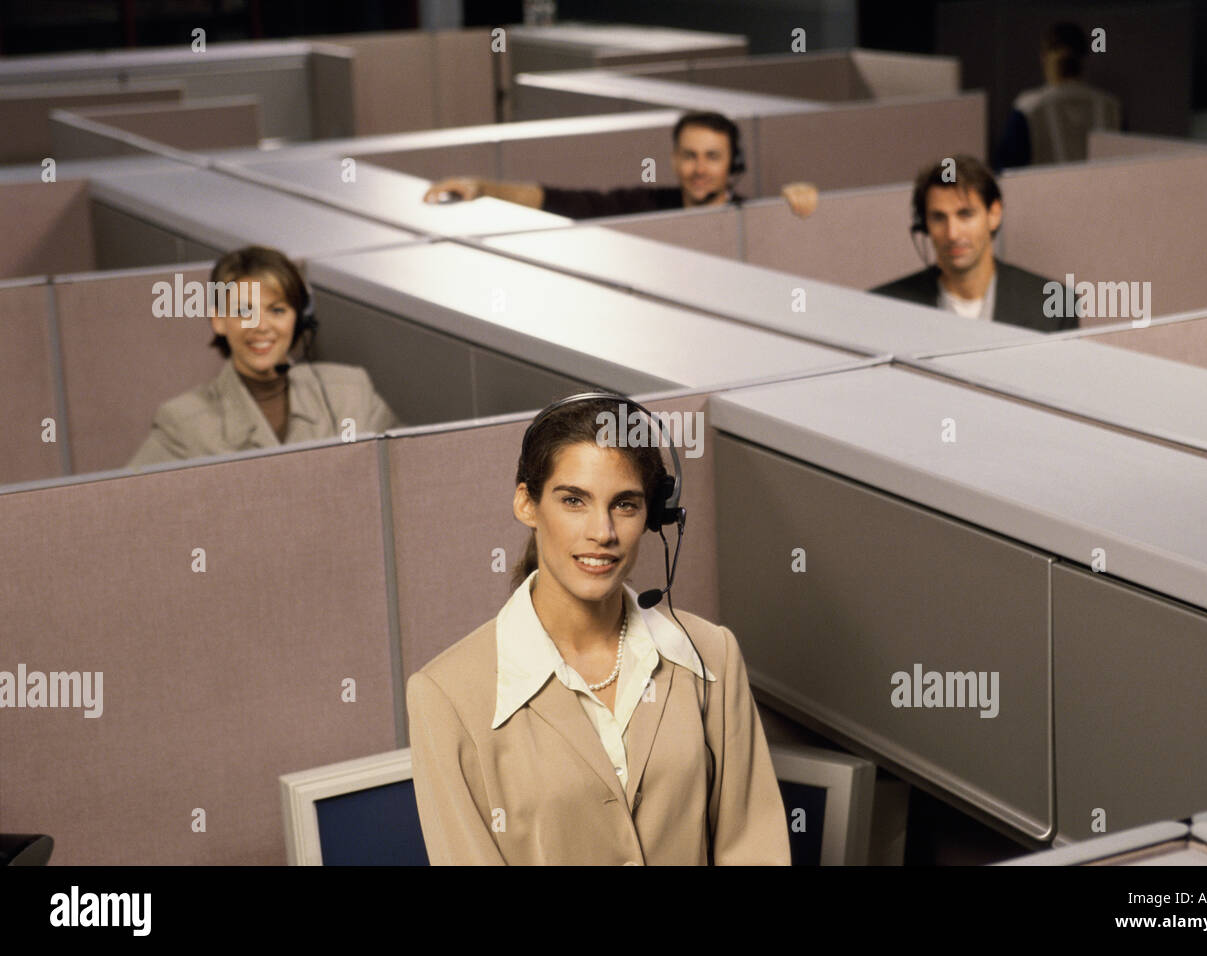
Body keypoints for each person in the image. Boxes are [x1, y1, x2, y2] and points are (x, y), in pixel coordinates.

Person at [406, 392, 790, 865]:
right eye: (573, 501)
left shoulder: (711, 656)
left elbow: (753, 847)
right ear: (527, 504)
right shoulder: (446, 696)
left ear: (654, 516)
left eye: (625, 505)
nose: (602, 532)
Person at [127, 246, 399, 467]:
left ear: (298, 319)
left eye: (277, 310)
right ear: (219, 321)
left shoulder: (351, 394)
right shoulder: (184, 424)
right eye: (244, 312)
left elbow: (409, 480)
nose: (261, 326)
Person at [422, 111, 818, 219]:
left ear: (734, 164)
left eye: (713, 157)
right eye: (689, 155)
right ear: (673, 159)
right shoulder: (644, 205)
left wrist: (795, 208)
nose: (699, 168)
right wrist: (484, 187)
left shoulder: (750, 218)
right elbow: (556, 199)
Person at [870, 155, 1077, 332]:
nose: (952, 233)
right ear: (925, 225)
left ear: (994, 214)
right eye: (939, 218)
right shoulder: (884, 308)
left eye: (965, 214)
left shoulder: (1056, 305)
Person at [995, 21, 1122, 169]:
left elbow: (1006, 170)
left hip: (1043, 190)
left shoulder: (1028, 108)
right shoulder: (1111, 107)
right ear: (1083, 57)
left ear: (1044, 57)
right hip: (1105, 190)